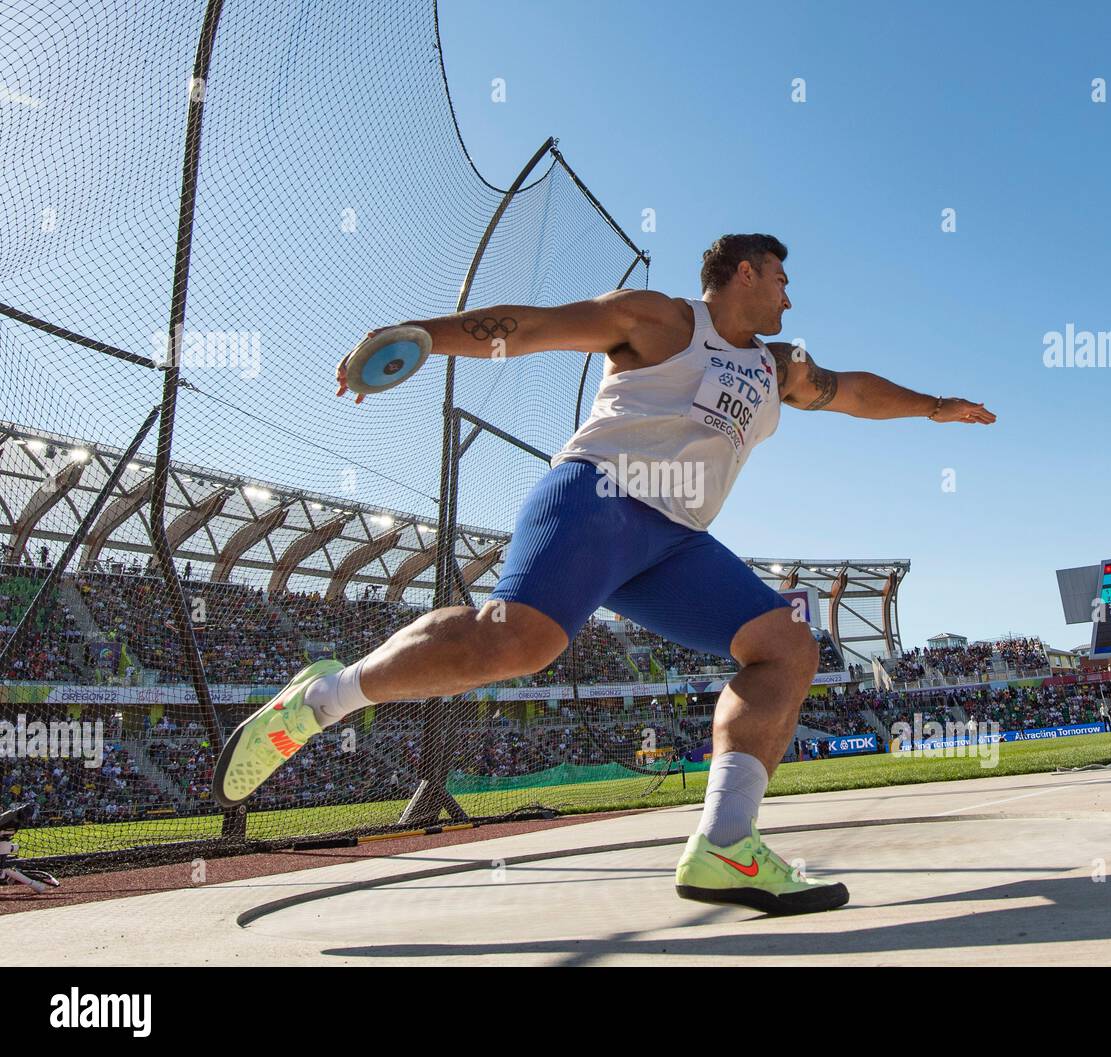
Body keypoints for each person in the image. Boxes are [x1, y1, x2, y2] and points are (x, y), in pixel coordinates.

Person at [212, 233, 996, 915]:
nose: (792, 296)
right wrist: (422, 333)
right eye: (783, 279)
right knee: (516, 643)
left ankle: (726, 844)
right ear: (746, 271)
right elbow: (535, 329)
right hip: (600, 496)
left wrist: (935, 407)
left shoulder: (780, 365)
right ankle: (321, 698)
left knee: (788, 644)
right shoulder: (661, 319)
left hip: (676, 542)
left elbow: (851, 391)